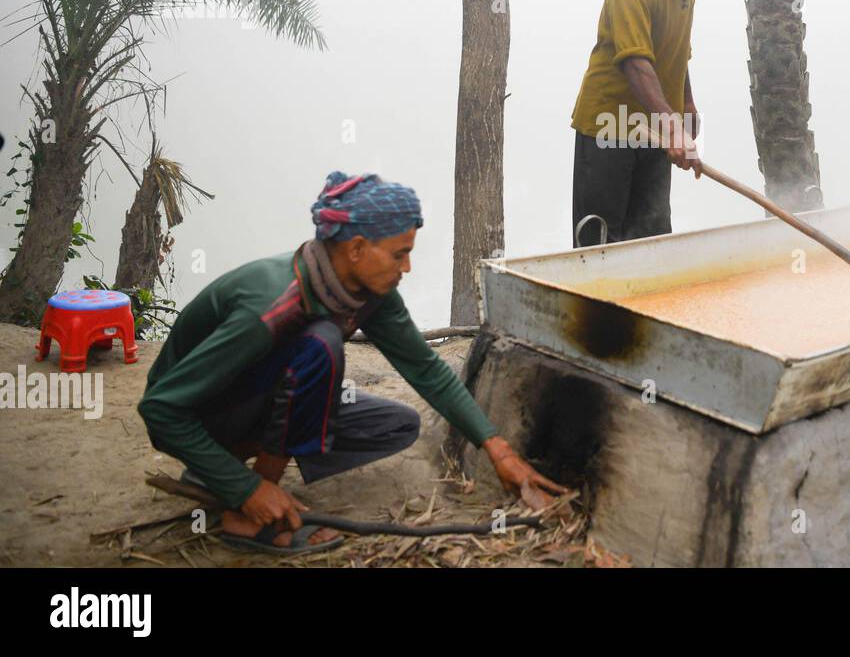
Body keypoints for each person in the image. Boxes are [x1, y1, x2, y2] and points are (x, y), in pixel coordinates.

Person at [138, 171, 562, 554]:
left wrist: (497, 447)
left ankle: (220, 469)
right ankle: (247, 508)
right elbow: (161, 409)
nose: (407, 267)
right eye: (399, 254)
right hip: (205, 413)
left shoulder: (365, 293)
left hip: (256, 401)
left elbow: (426, 369)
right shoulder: (270, 306)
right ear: (357, 248)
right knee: (322, 346)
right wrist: (246, 489)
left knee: (394, 425)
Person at [569, 0, 712, 248]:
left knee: (651, 237)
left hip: (653, 125)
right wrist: (673, 127)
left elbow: (676, 49)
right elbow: (637, 64)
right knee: (600, 243)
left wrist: (685, 101)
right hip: (609, 127)